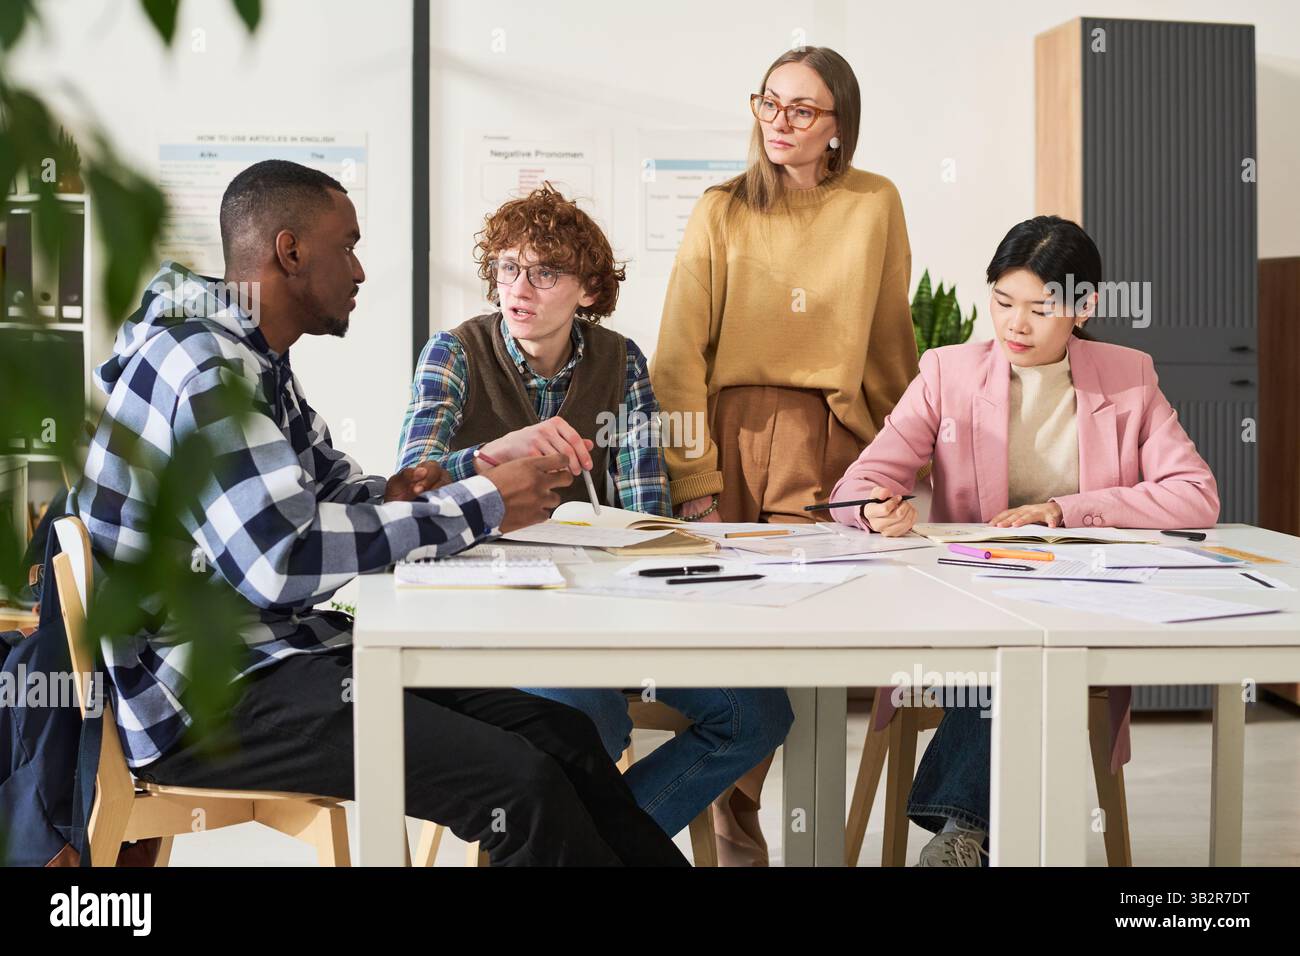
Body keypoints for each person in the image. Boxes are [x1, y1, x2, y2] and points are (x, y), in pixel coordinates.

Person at [70, 159, 687, 866]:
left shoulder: (255, 358)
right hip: (209, 692)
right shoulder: (207, 368)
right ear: (290, 252)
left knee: (564, 740)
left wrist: (440, 485)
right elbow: (280, 561)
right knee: (521, 785)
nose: (361, 272)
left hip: (284, 651)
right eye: (349, 246)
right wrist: (484, 503)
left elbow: (337, 495)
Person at [396, 183, 791, 854]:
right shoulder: (454, 352)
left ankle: (588, 852)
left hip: (601, 603)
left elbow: (643, 512)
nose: (519, 286)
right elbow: (410, 486)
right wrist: (492, 457)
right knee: (592, 718)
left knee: (757, 713)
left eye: (545, 272)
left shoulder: (620, 361)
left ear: (587, 290)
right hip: (489, 609)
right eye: (508, 266)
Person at [831, 215, 1220, 866]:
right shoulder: (947, 372)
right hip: (971, 606)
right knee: (1010, 657)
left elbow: (1195, 495)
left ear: (1084, 306)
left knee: (1027, 658)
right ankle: (968, 835)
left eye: (1041, 308)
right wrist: (874, 510)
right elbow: (857, 482)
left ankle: (961, 835)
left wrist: (1066, 510)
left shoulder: (1128, 376)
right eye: (1002, 301)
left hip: (1084, 604)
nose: (1015, 324)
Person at [650, 45, 918, 864]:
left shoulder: (875, 203)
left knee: (814, 639)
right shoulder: (721, 207)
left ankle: (764, 815)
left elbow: (889, 340)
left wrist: (900, 462)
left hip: (833, 441)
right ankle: (732, 812)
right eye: (769, 103)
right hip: (731, 432)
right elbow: (676, 356)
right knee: (732, 636)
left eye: (802, 110)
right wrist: (695, 477)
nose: (779, 122)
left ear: (839, 128)